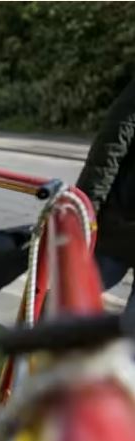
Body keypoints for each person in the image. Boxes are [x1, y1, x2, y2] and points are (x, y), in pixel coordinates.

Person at [77, 77, 135, 314]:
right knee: (69, 299)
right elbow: (112, 145)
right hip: (121, 221)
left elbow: (111, 145)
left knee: (68, 301)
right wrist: (86, 208)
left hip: (119, 220)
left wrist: (86, 208)